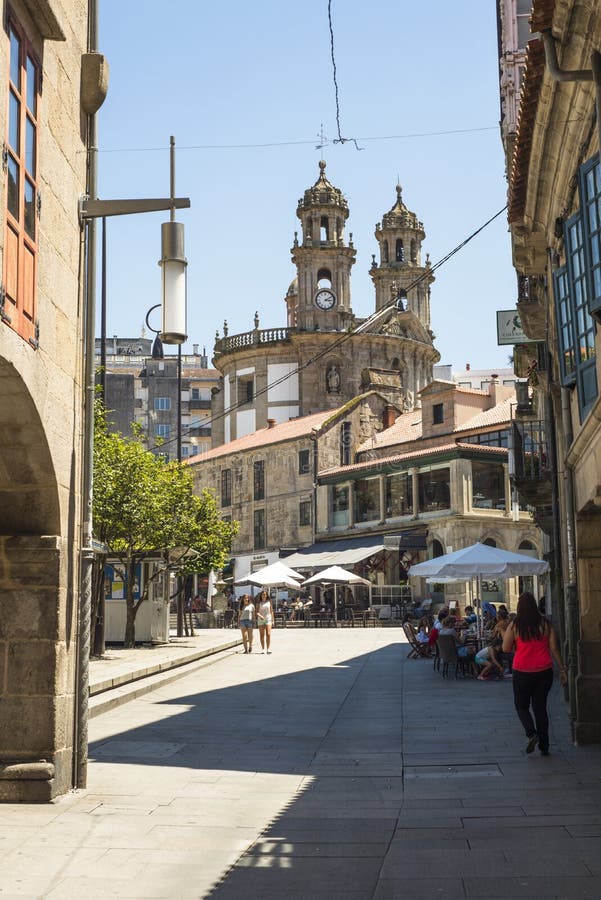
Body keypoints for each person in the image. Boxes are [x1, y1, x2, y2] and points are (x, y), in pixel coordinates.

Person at [502, 591, 567, 755]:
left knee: (521, 705)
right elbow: (554, 648)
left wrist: (518, 645)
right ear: (535, 605)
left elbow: (505, 648)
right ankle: (544, 746)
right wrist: (562, 670)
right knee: (540, 708)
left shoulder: (515, 625)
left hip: (522, 671)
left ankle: (531, 733)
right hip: (544, 671)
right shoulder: (545, 624)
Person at [256, 589, 274, 654]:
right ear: (261, 595)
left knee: (268, 634)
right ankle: (263, 649)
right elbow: (256, 612)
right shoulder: (259, 603)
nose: (264, 595)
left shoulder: (269, 602)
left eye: (265, 594)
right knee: (262, 635)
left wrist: (273, 620)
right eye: (263, 594)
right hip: (261, 619)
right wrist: (260, 616)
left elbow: (271, 611)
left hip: (268, 619)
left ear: (267, 595)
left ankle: (268, 649)